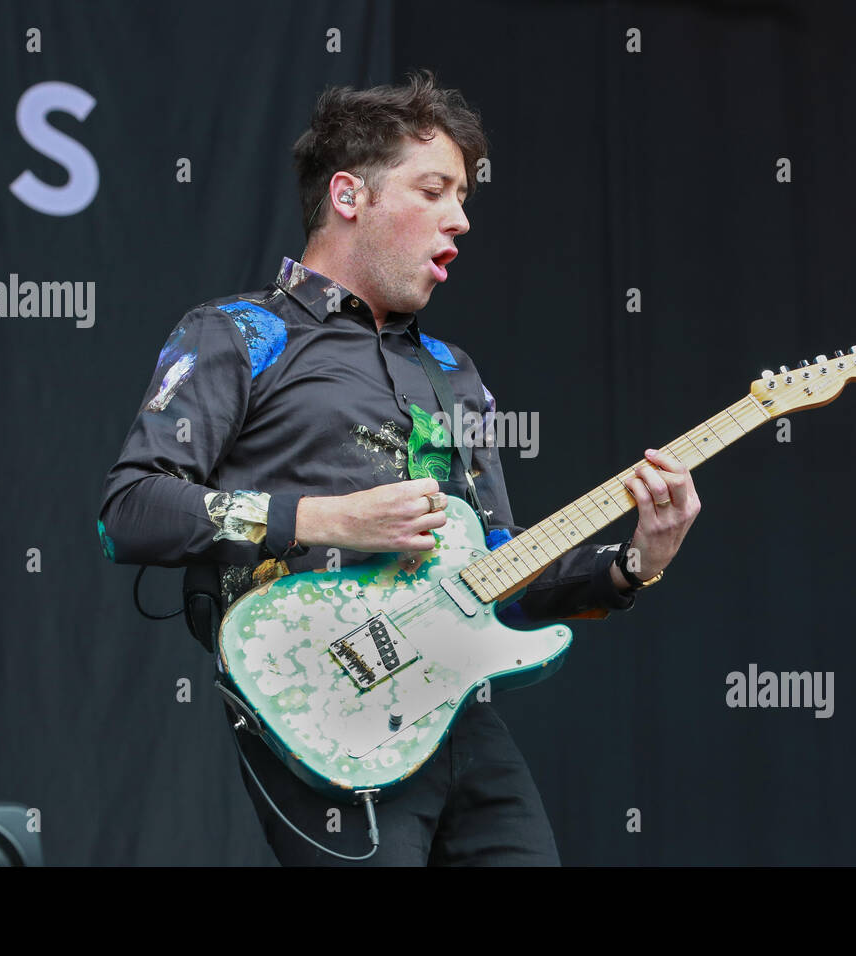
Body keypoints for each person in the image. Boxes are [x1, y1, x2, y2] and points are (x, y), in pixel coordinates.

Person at [97, 69, 701, 865]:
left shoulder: (455, 372)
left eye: (465, 199)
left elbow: (499, 569)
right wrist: (323, 520)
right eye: (435, 190)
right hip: (321, 704)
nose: (460, 219)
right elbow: (130, 510)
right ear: (350, 197)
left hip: (461, 710)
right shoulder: (238, 334)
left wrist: (632, 564)